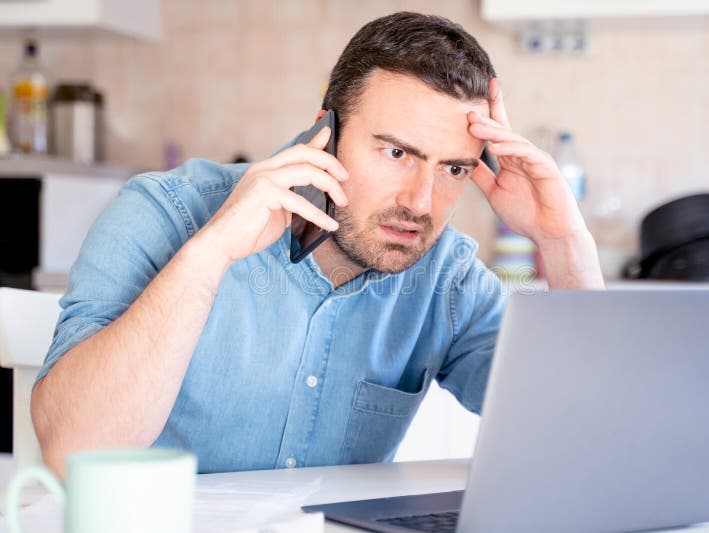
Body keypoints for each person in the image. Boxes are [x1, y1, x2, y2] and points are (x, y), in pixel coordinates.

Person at [31, 12, 604, 476]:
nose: (422, 202)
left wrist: (562, 241)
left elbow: (580, 438)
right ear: (325, 128)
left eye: (454, 168)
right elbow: (77, 452)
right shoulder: (166, 213)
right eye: (397, 152)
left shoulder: (447, 280)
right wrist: (209, 256)